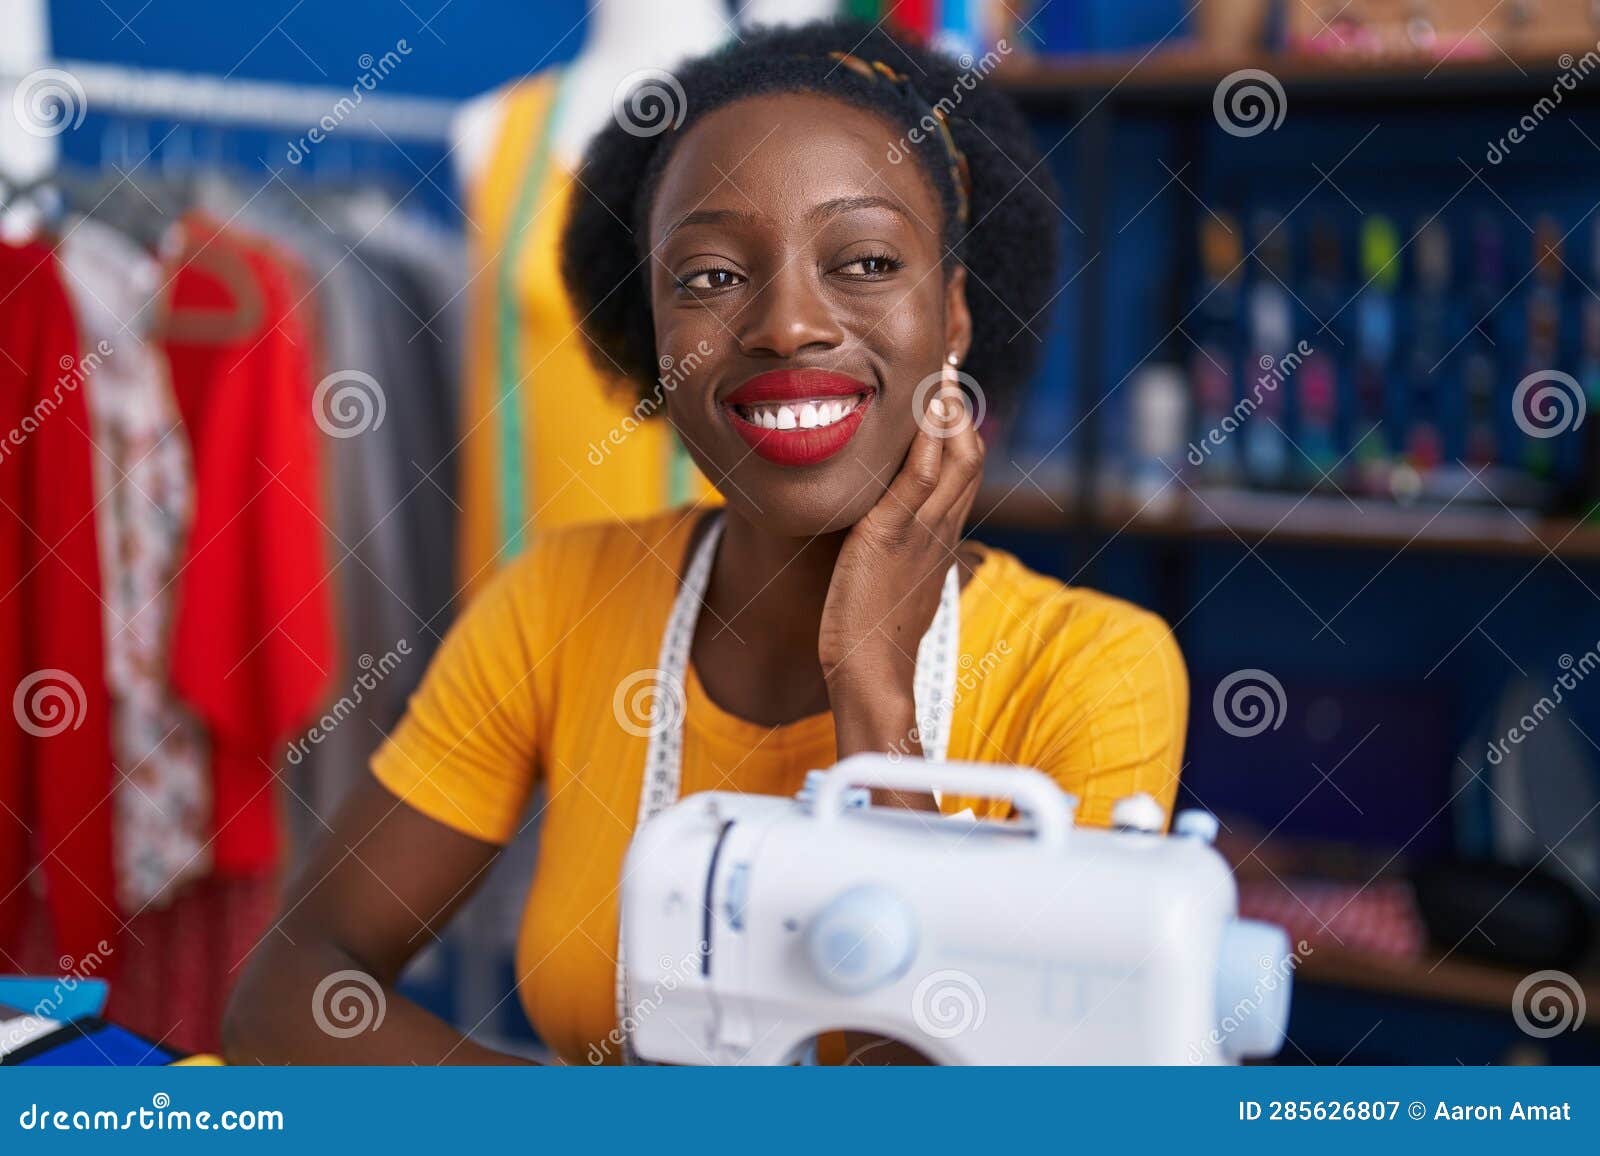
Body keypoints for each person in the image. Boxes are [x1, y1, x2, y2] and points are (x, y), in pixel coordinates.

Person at [223, 19, 1189, 1066]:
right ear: (650, 331)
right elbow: (295, 985)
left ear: (953, 317)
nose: (785, 323)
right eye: (711, 277)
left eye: (862, 259)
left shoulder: (1095, 674)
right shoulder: (560, 601)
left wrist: (872, 686)